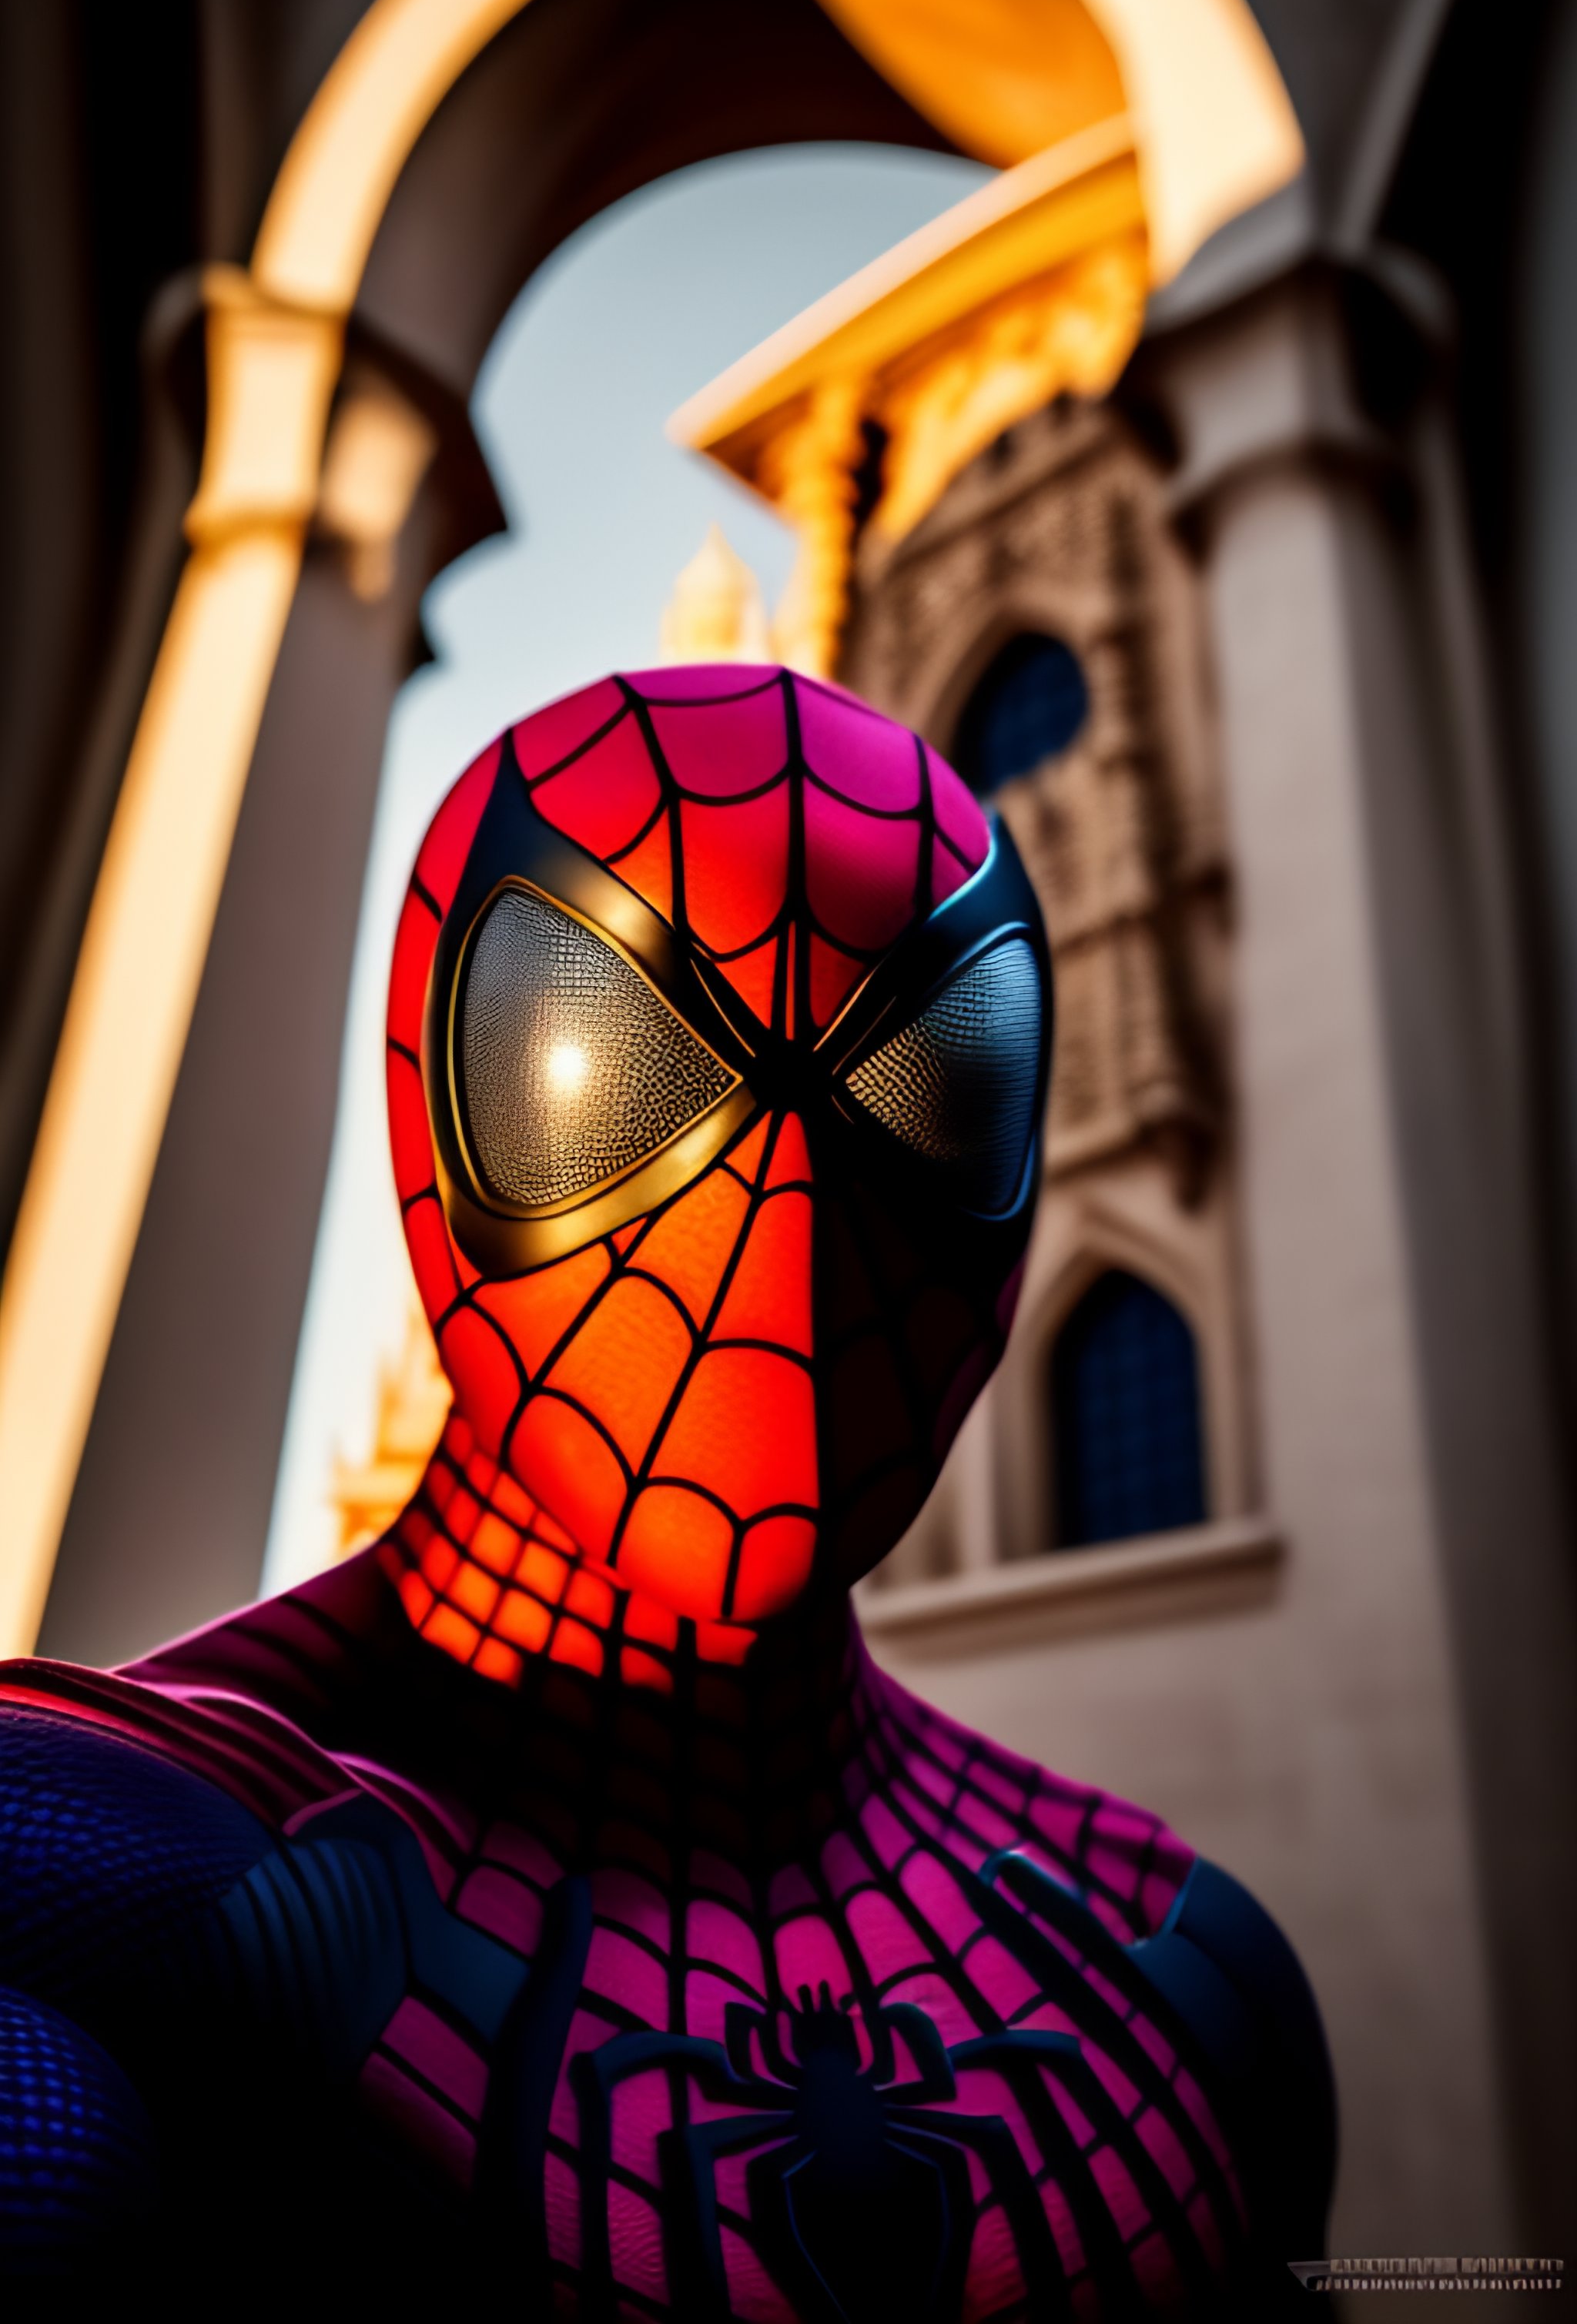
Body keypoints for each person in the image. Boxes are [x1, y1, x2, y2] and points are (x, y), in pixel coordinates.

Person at [0, 666, 1332, 2307]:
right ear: (437, 1097)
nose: (776, 1222)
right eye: (622, 1067)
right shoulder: (88, 1875)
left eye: (917, 1083)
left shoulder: (1187, 1977)